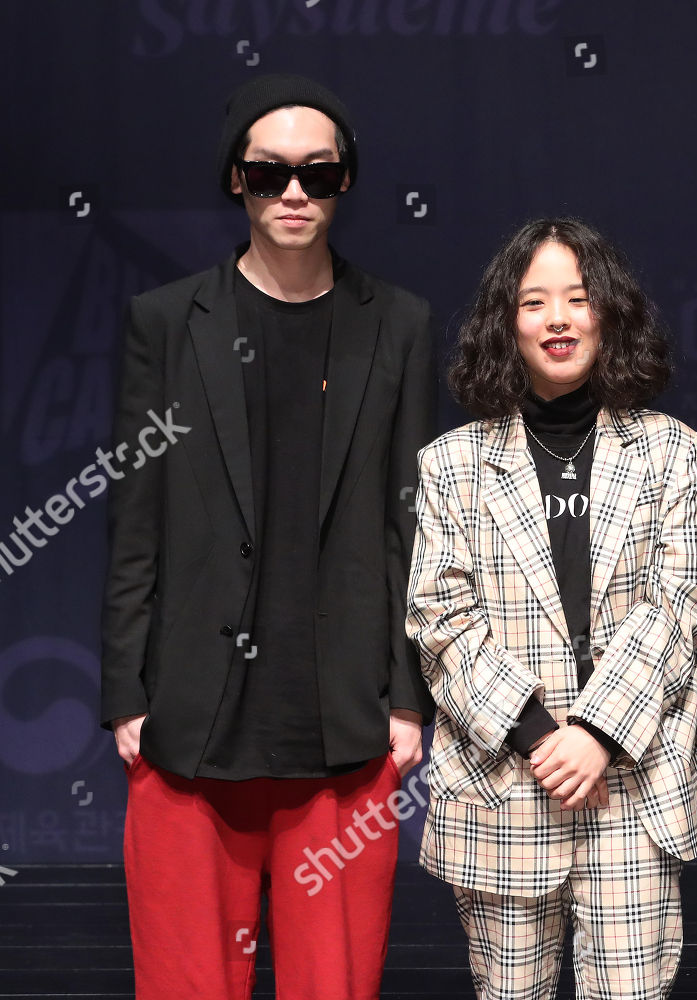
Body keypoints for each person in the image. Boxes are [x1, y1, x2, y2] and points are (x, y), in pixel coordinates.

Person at [101, 73, 435, 999]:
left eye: (318, 175)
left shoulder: (401, 327)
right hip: (187, 723)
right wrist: (125, 691)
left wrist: (409, 698)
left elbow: (413, 524)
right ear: (236, 183)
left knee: (336, 985)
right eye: (269, 173)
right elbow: (136, 520)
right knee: (184, 984)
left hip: (345, 724)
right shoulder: (165, 324)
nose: (294, 193)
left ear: (345, 184)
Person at [408, 217, 697, 999]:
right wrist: (538, 735)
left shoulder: (670, 449)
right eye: (535, 303)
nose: (558, 319)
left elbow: (683, 598)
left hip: (633, 775)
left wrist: (594, 732)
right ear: (507, 324)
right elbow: (440, 617)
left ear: (609, 314)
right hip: (505, 781)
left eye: (579, 298)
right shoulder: (452, 463)